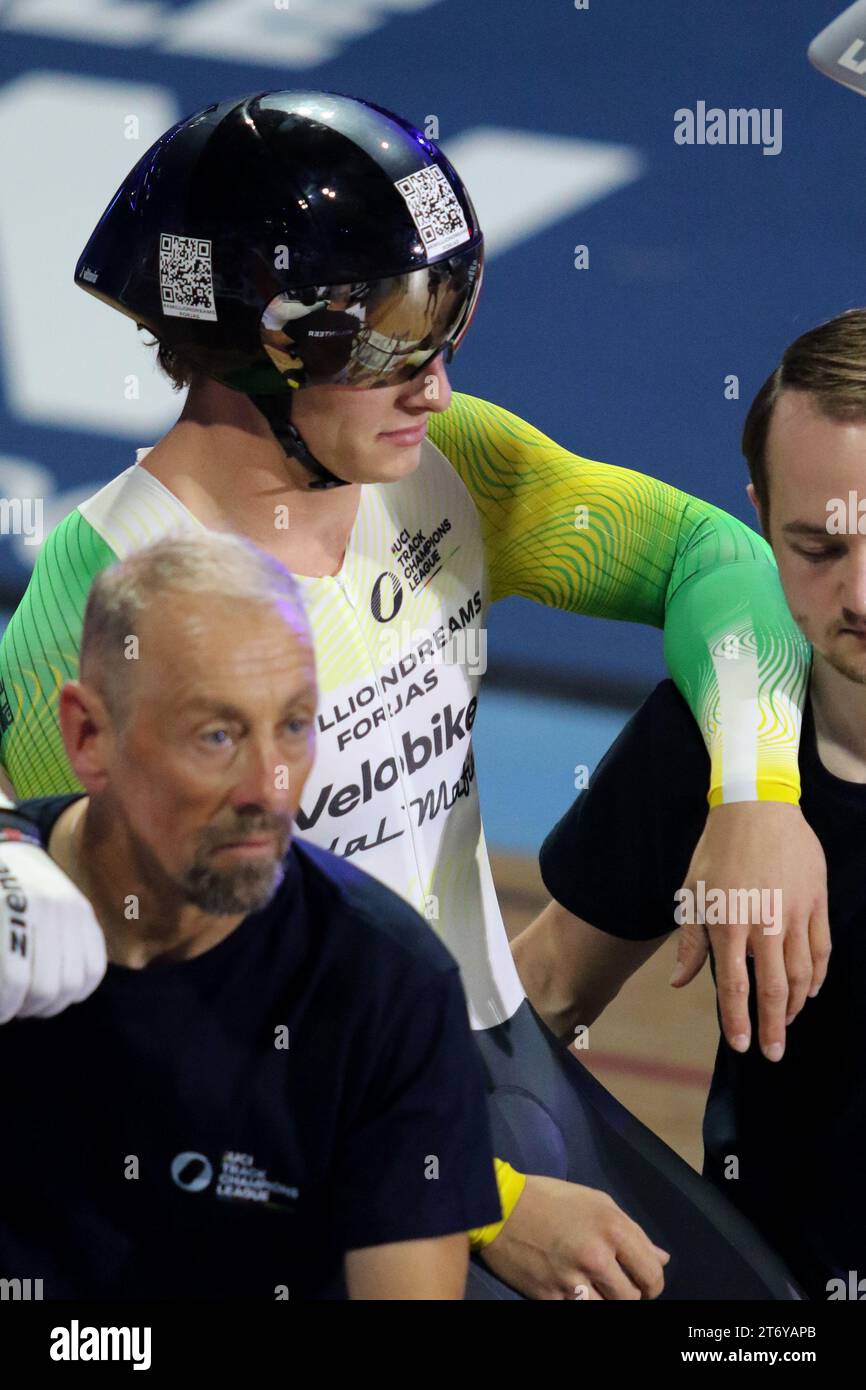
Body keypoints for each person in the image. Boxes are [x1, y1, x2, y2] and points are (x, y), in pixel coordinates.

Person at [0, 90, 823, 1299]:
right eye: (393, 346)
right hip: (286, 1143)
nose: (434, 388)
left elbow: (714, 560)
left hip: (478, 1054)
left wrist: (756, 789)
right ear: (253, 350)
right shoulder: (100, 612)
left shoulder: (442, 471)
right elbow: (124, 1025)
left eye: (445, 330)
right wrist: (473, 1197)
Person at [0, 532, 505, 1300]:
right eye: (217, 735)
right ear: (88, 736)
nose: (270, 790)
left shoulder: (387, 988)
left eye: (294, 726)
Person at [520, 307, 866, 1299]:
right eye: (814, 548)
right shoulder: (712, 731)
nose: (858, 595)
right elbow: (541, 994)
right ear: (758, 519)